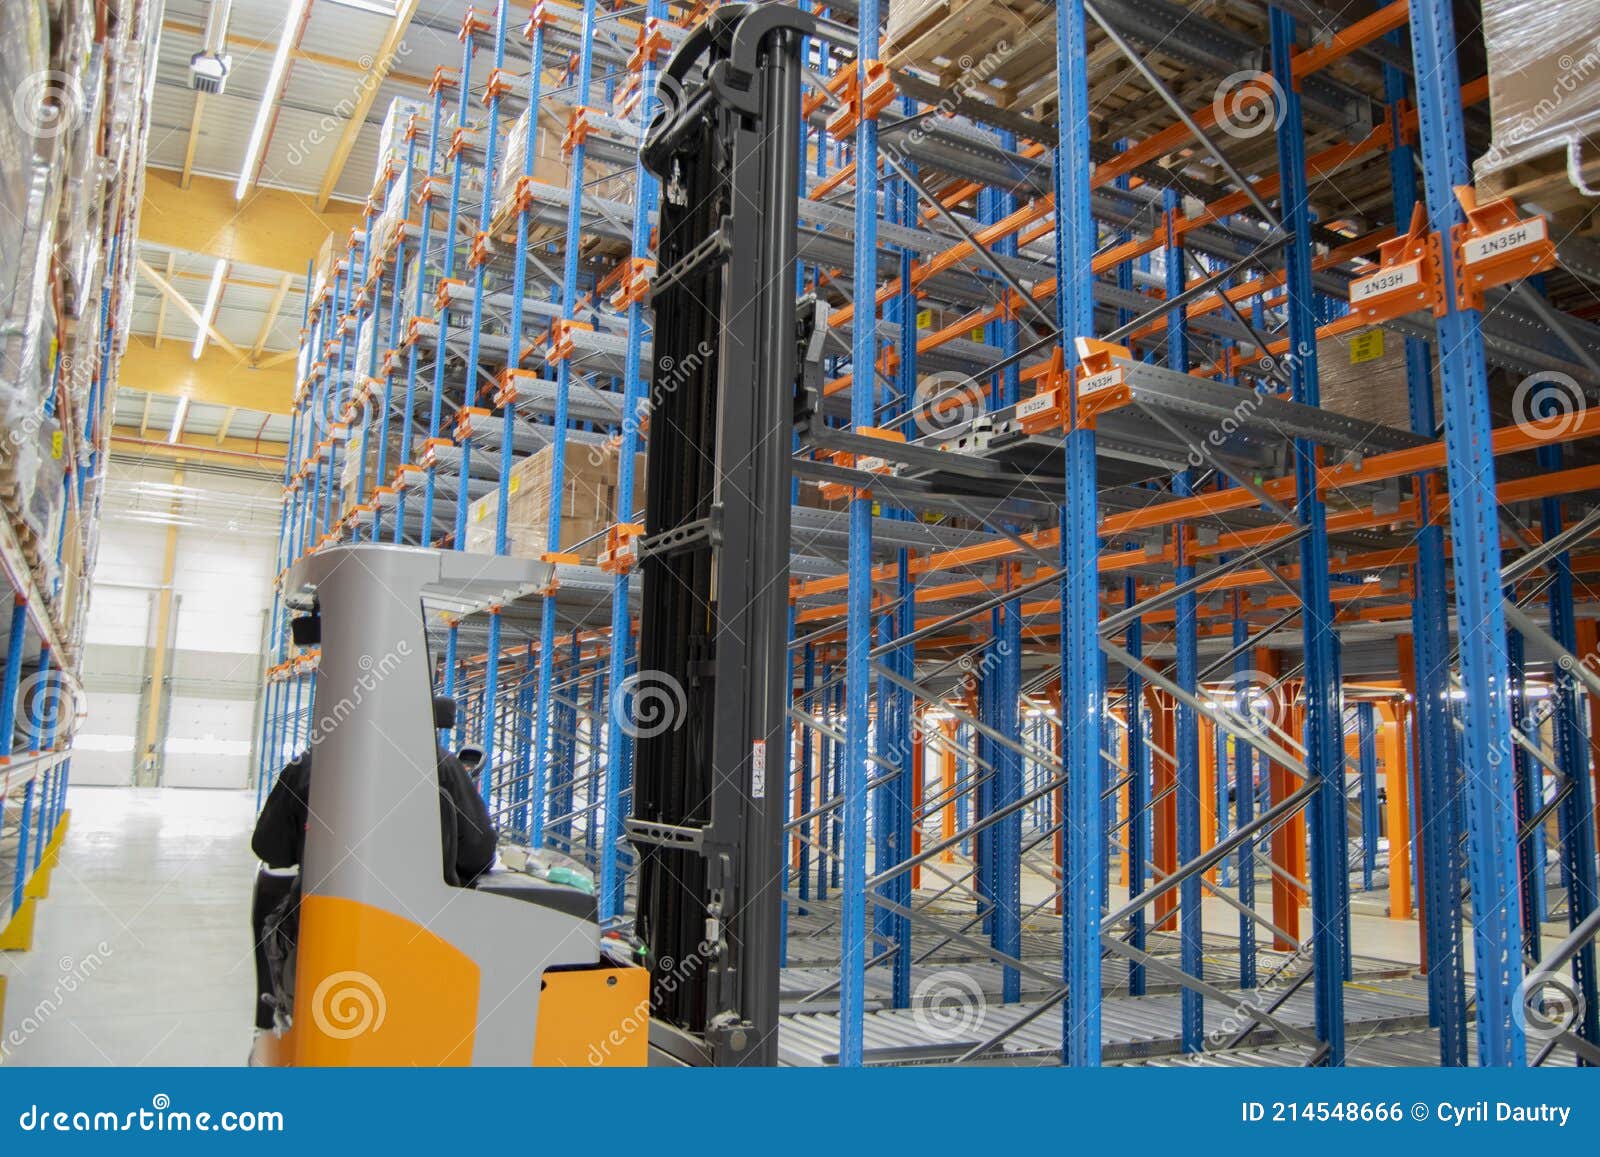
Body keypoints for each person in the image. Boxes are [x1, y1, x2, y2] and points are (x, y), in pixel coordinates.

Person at [249, 696, 496, 1032]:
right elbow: (478, 855)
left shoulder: (308, 763)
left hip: (325, 934)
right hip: (422, 937)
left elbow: (270, 849)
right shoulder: (442, 765)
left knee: (276, 903)